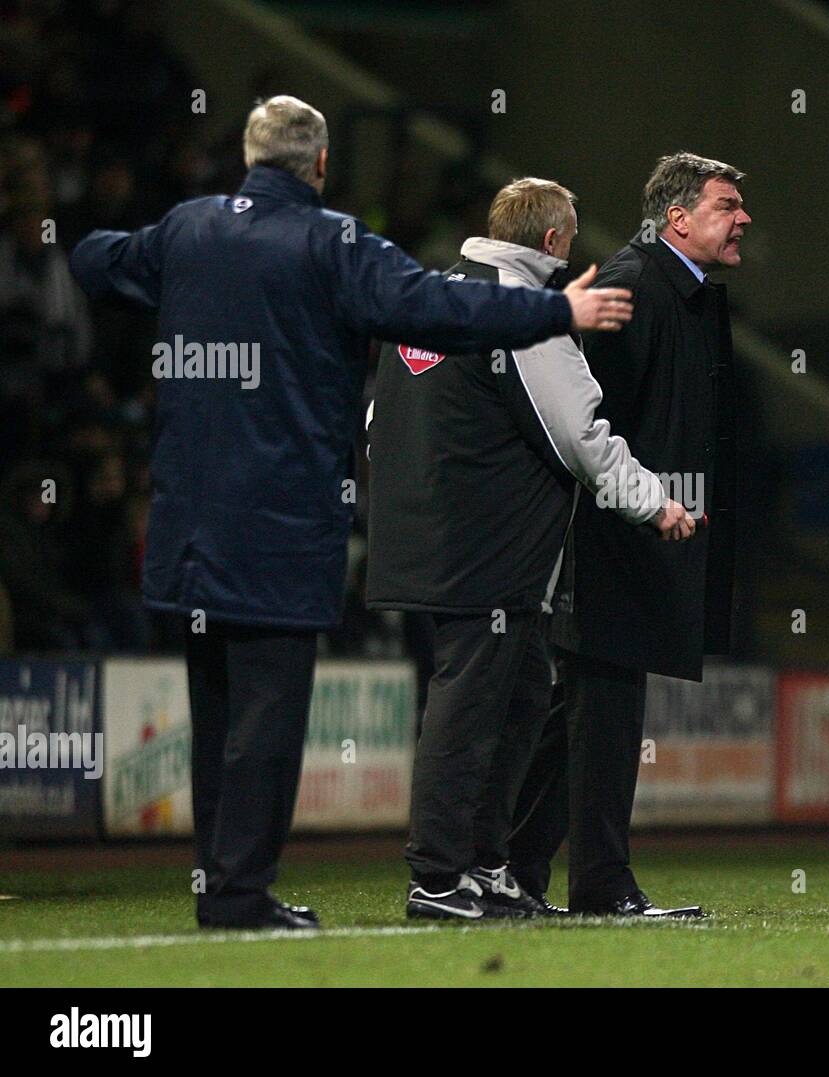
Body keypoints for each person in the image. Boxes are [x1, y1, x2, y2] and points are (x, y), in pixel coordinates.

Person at [68, 96, 634, 931]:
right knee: (265, 718)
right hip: (282, 522)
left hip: (186, 520)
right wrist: (557, 310)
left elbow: (90, 258)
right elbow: (447, 309)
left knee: (216, 715)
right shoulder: (332, 244)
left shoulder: (189, 230)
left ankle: (223, 887)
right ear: (323, 165)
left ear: (250, 157)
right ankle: (241, 892)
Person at [365, 178, 694, 921]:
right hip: (493, 550)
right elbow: (581, 436)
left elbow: (378, 419)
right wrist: (657, 503)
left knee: (513, 704)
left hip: (425, 537)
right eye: (571, 239)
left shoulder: (430, 294)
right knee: (469, 707)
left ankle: (484, 868)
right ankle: (438, 877)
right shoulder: (528, 315)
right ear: (551, 243)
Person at [509, 152, 749, 917]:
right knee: (604, 711)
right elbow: (580, 421)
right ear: (678, 217)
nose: (742, 218)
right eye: (727, 205)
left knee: (583, 714)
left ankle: (510, 868)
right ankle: (600, 885)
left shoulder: (684, 291)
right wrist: (637, 506)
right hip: (613, 534)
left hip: (649, 529)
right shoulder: (634, 282)